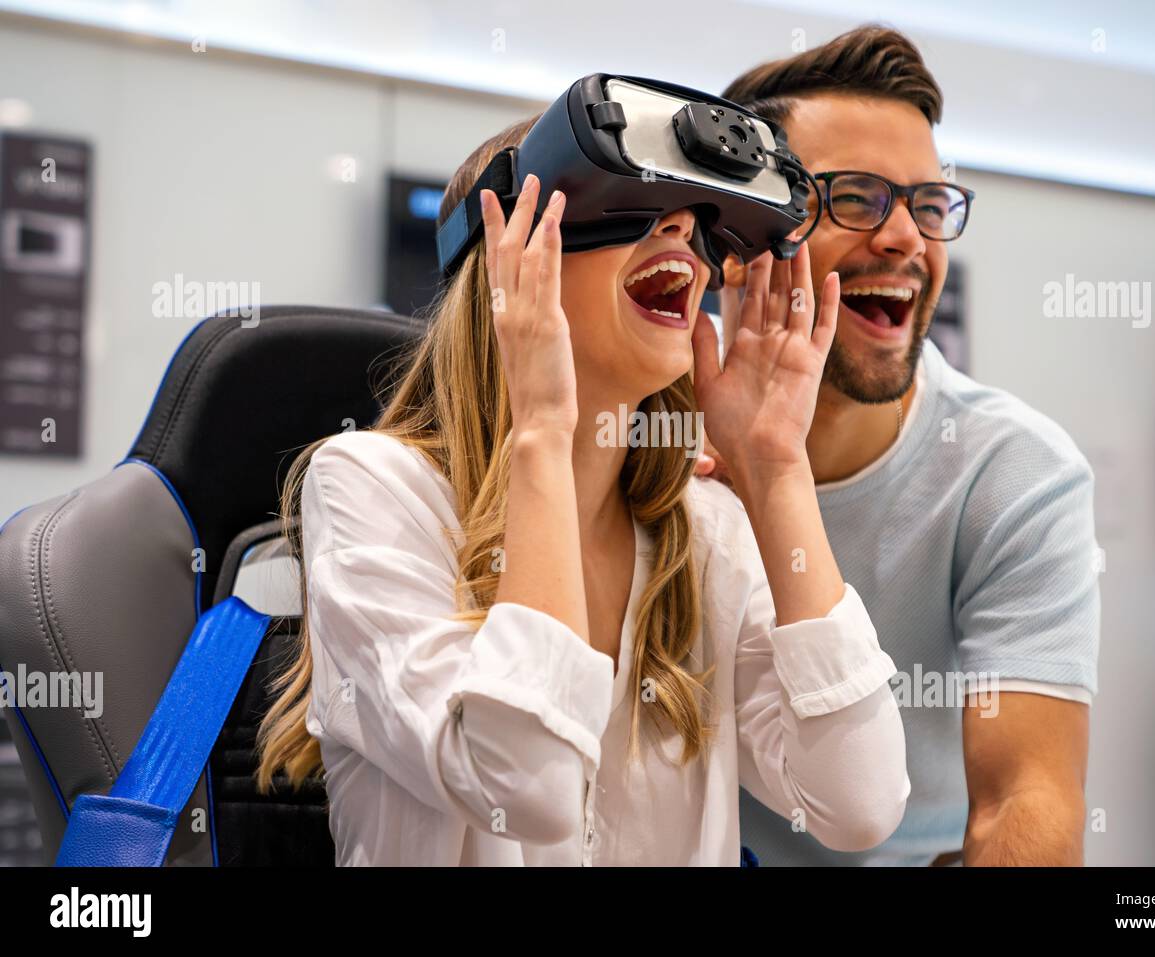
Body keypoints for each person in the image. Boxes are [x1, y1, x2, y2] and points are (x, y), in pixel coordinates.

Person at [252, 113, 910, 865]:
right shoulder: (371, 488)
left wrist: (775, 467)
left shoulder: (707, 530)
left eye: (699, 226)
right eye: (625, 203)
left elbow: (861, 804)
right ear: (502, 269)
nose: (682, 233)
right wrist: (541, 433)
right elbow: (526, 786)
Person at [702, 25, 1100, 866]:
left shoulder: (1014, 472)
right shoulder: (646, 432)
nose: (906, 240)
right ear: (738, 233)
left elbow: (1029, 798)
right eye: (856, 197)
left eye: (927, 205)